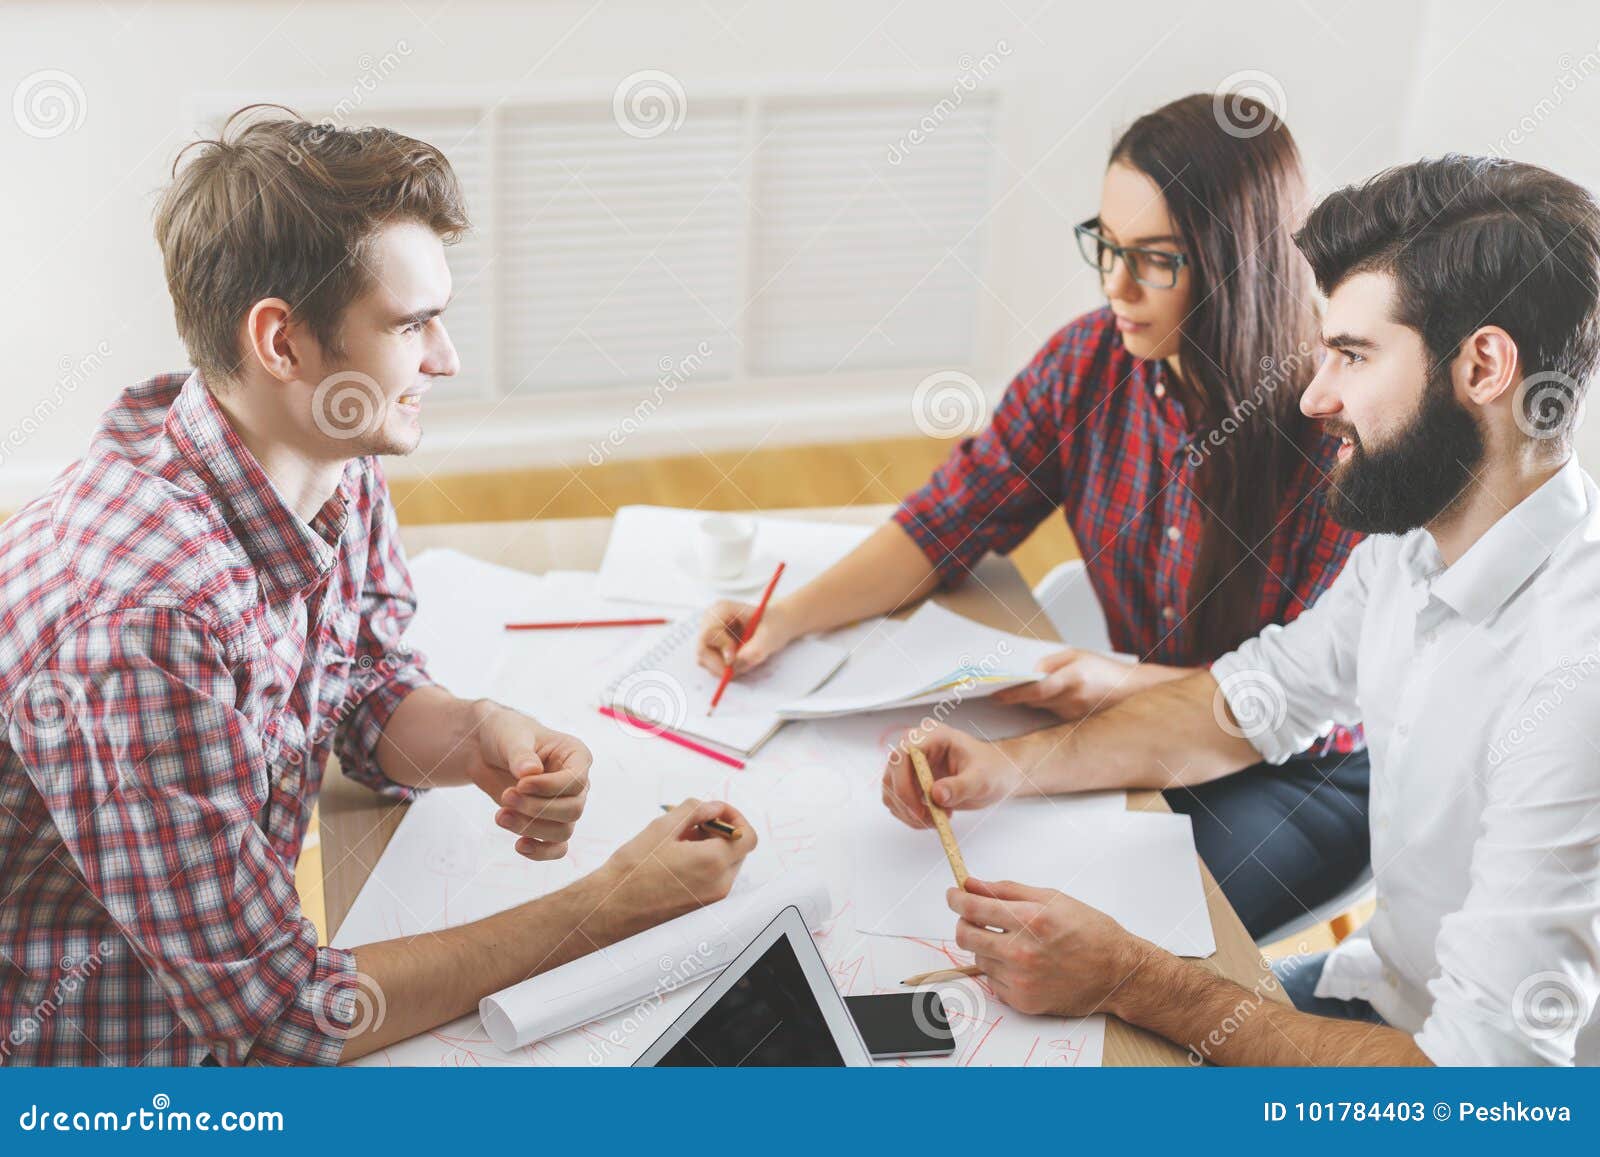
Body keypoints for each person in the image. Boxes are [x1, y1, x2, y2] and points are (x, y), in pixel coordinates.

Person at [0, 108, 754, 1066]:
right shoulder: (146, 623)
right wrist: (610, 905)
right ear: (282, 343)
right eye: (412, 324)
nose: (445, 358)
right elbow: (282, 1019)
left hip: (207, 989)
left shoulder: (320, 444)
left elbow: (351, 686)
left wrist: (478, 730)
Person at [883, 155, 1600, 1065]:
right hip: (1380, 990)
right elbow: (1247, 699)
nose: (1314, 396)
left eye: (1352, 354)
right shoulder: (1413, 541)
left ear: (1484, 366)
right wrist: (1007, 768)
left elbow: (1484, 1093)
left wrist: (1129, 977)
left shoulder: (1572, 684)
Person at [699, 93, 1366, 938]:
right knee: (973, 872)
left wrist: (1117, 684)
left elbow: (1315, 706)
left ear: (1238, 265)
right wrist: (784, 618)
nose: (1114, 286)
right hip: (1139, 723)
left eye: (1155, 261)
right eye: (1107, 246)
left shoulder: (1340, 434)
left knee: (1128, 929)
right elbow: (944, 522)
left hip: (1305, 772)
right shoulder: (1091, 362)